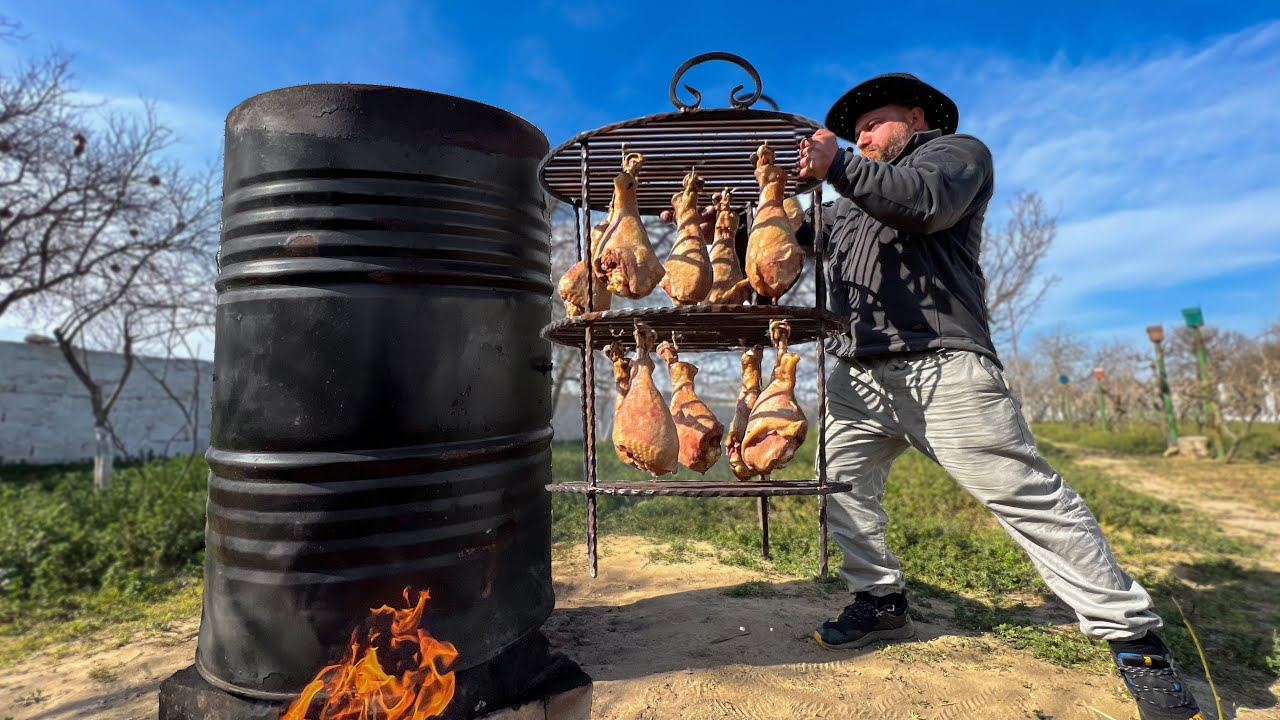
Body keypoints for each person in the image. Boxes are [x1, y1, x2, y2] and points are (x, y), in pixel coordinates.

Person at [790, 73, 1202, 720]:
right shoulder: (844, 209)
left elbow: (924, 203)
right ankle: (880, 598)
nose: (861, 138)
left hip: (943, 363)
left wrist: (838, 165)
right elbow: (784, 243)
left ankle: (1137, 645)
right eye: (854, 133)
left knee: (1027, 497)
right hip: (856, 375)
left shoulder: (956, 156)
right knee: (840, 490)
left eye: (872, 124)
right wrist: (726, 225)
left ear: (915, 118)